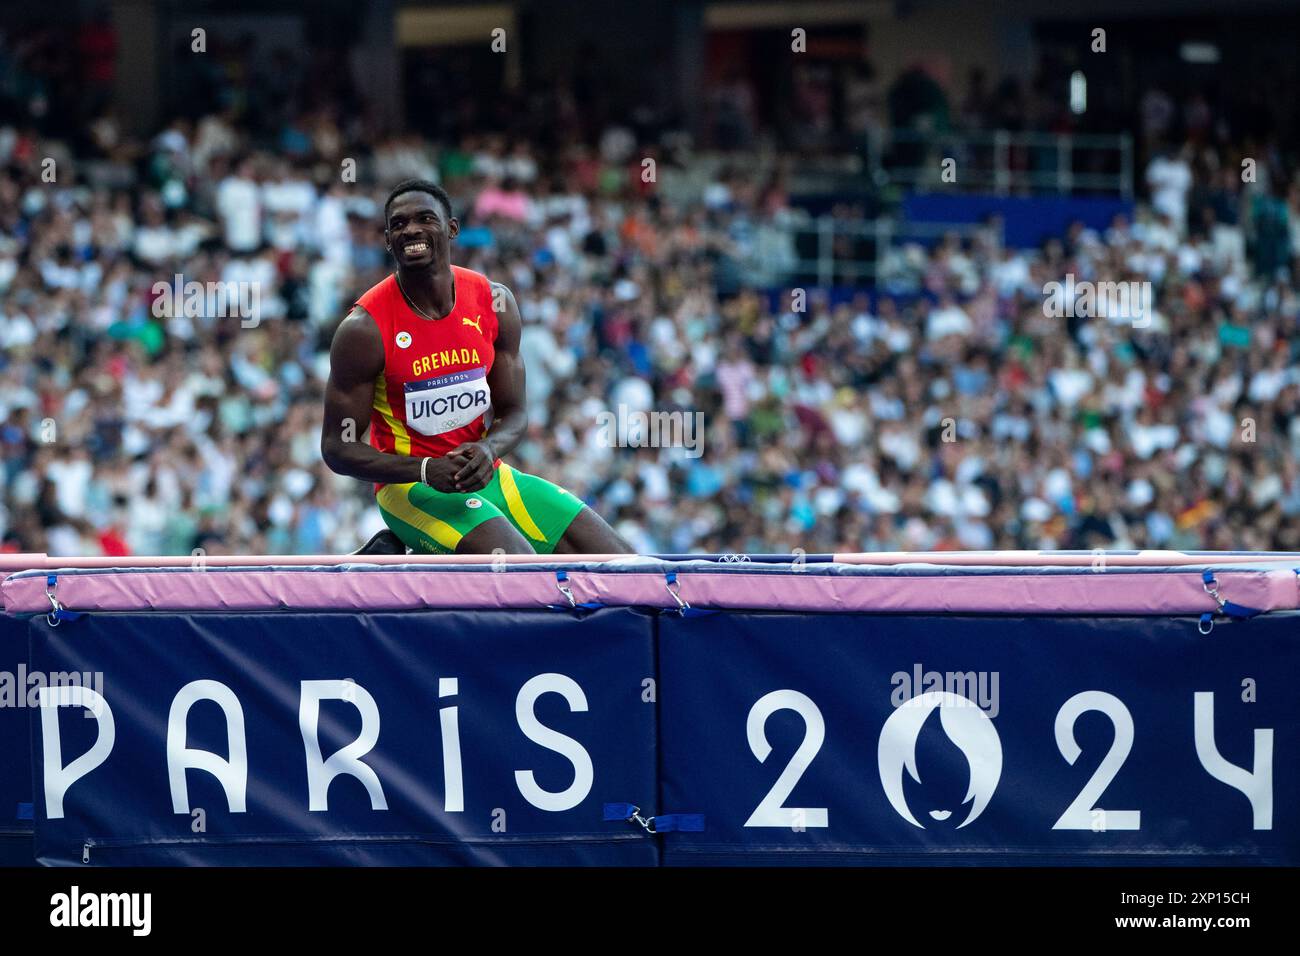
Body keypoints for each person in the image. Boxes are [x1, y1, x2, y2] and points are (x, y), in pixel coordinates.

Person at [321, 179, 633, 556]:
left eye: (425, 219)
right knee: (518, 564)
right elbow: (338, 448)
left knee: (621, 560)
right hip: (410, 489)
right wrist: (422, 470)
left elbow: (514, 413)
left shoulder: (495, 302)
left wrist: (488, 448)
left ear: (452, 228)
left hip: (488, 474)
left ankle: (416, 560)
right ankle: (416, 556)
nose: (412, 230)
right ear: (388, 240)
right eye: (399, 225)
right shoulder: (364, 330)